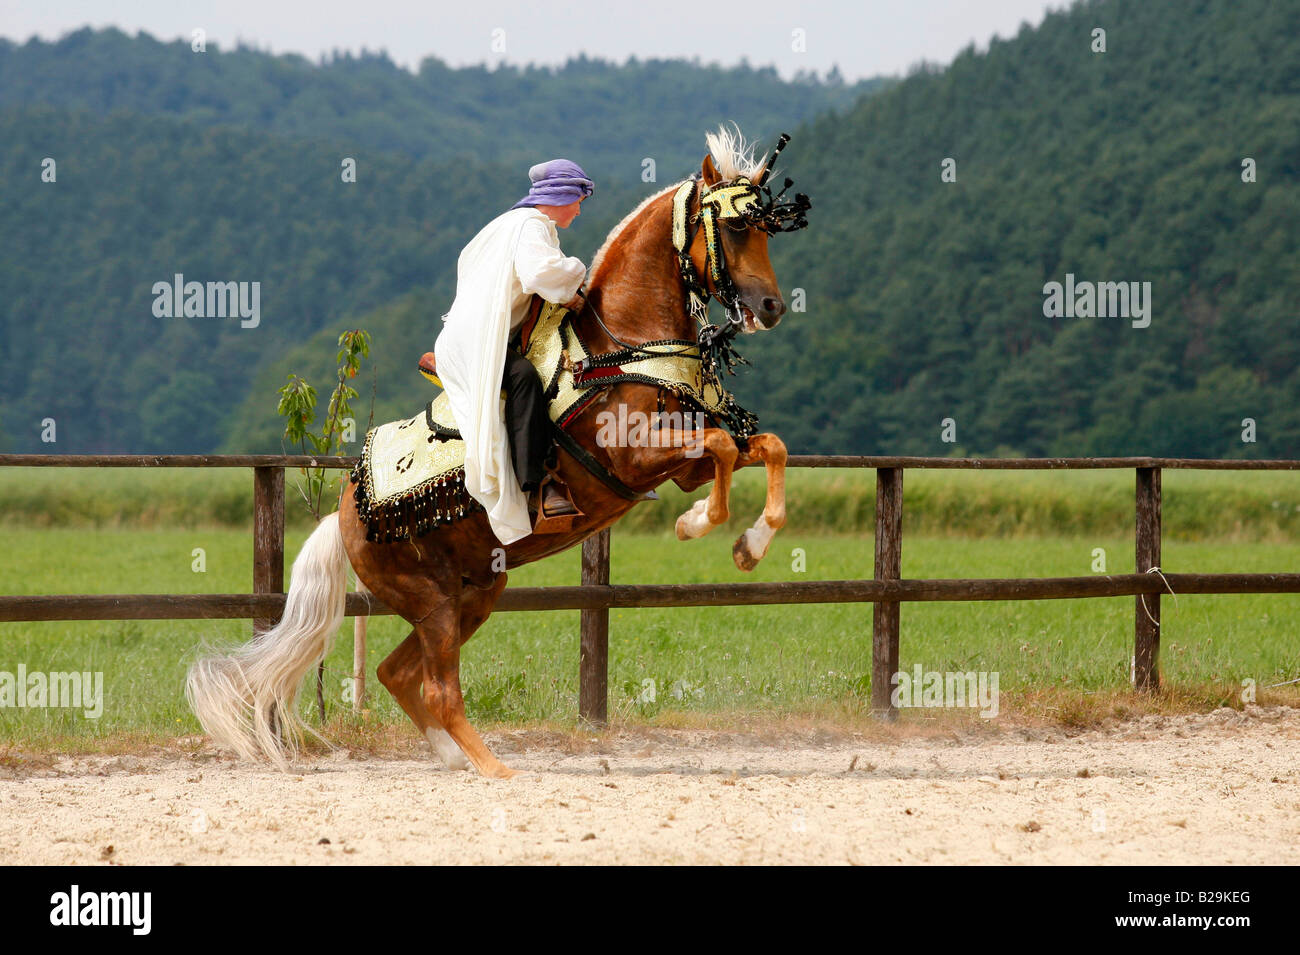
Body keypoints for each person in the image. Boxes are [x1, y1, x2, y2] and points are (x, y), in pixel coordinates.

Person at [433, 159, 593, 545]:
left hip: (465, 335)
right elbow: (542, 275)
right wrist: (578, 273)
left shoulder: (504, 225)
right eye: (577, 199)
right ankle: (532, 484)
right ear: (562, 196)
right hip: (476, 341)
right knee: (524, 377)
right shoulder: (532, 226)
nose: (578, 208)